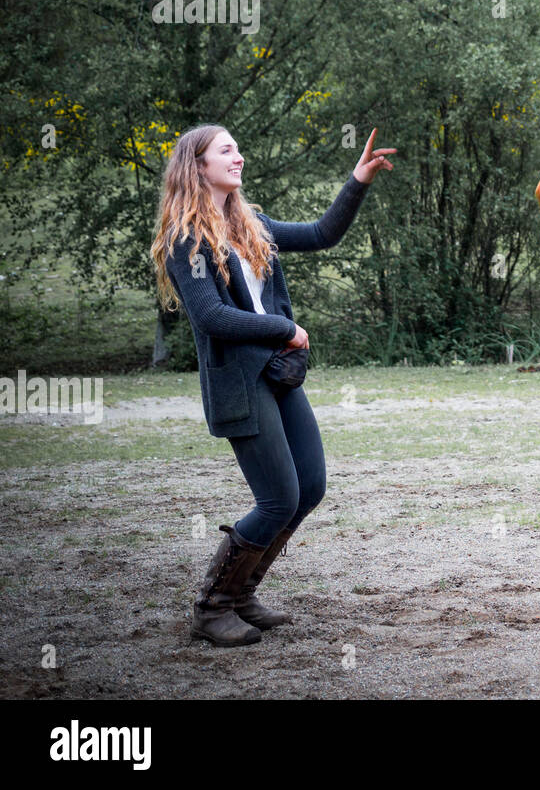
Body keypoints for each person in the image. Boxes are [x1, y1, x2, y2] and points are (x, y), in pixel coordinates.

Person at [150, 125, 395, 646]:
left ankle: (241, 594)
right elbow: (213, 316)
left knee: (309, 488)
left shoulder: (250, 224)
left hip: (279, 375)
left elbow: (323, 233)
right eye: (225, 150)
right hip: (240, 382)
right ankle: (212, 607)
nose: (238, 156)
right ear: (196, 166)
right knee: (278, 499)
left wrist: (357, 180)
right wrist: (287, 330)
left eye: (237, 147)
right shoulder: (186, 239)